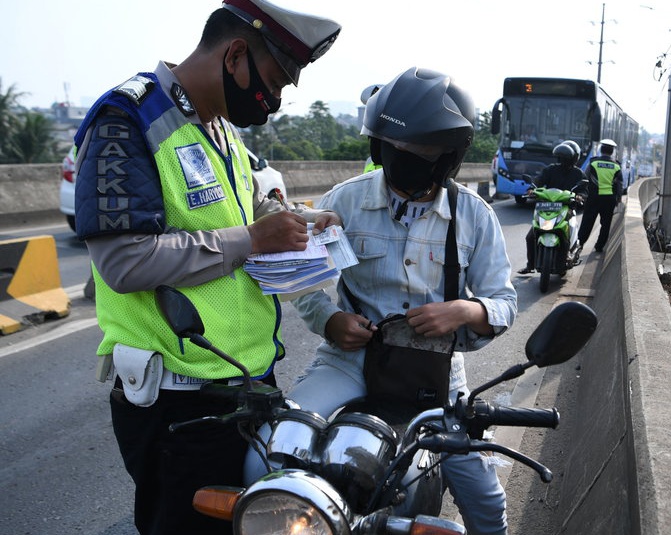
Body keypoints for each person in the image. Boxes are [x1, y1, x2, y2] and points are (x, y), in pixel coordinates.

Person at [72, 2, 341, 533]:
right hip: (178, 404)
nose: (277, 100)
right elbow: (124, 261)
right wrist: (251, 238)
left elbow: (241, 214)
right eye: (274, 81)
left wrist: (294, 222)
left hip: (245, 387)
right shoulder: (128, 119)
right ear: (236, 55)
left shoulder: (222, 133)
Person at [286, 67, 517, 535]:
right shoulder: (343, 202)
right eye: (398, 151)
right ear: (379, 147)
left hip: (435, 373)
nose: (407, 161)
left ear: (447, 159)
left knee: (485, 500)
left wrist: (464, 311)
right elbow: (306, 282)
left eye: (423, 154)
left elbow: (503, 302)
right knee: (282, 443)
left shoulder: (473, 216)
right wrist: (331, 320)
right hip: (347, 360)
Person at [517, 141, 587, 274]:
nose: (565, 161)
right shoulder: (550, 170)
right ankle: (530, 265)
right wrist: (532, 189)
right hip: (548, 207)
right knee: (531, 236)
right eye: (563, 158)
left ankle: (566, 255)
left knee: (565, 235)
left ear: (574, 158)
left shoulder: (578, 174)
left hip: (567, 208)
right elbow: (538, 181)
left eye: (567, 158)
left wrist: (580, 196)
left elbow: (584, 191)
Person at [578, 138, 624, 253]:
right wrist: (619, 199)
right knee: (606, 223)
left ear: (601, 150)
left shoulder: (593, 163)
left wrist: (582, 193)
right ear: (612, 152)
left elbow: (584, 179)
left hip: (593, 197)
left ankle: (580, 244)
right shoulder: (616, 166)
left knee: (587, 221)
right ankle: (599, 246)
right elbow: (620, 185)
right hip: (609, 199)